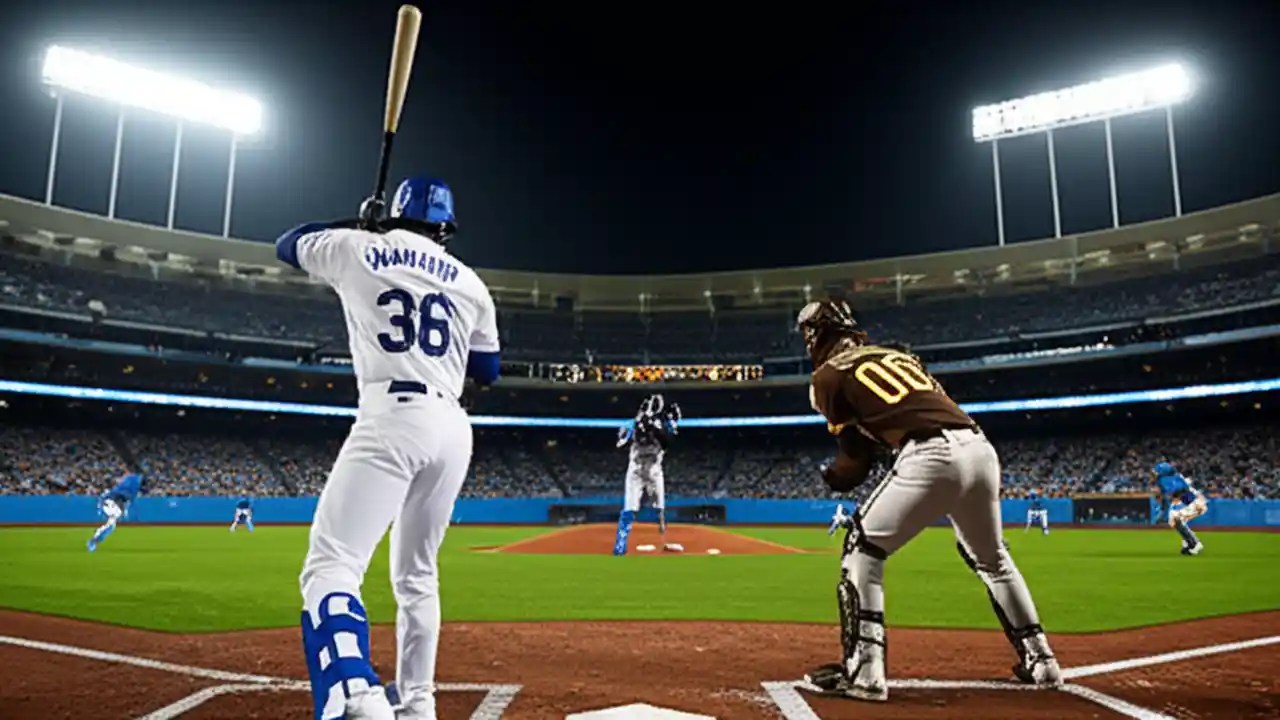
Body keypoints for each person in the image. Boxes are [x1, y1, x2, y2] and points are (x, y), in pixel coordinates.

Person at [276, 176, 500, 720]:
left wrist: (358, 225)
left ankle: (359, 694)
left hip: (392, 413)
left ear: (393, 214)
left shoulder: (358, 247)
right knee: (418, 577)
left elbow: (287, 243)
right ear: (445, 226)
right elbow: (488, 370)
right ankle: (419, 706)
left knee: (331, 565)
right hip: (452, 427)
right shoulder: (471, 282)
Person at [796, 299, 1060, 703]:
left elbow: (854, 462)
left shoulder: (827, 376)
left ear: (817, 335)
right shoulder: (898, 355)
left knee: (862, 550)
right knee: (993, 559)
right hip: (979, 447)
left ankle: (866, 674)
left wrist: (832, 476)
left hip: (928, 454)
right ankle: (1042, 662)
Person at [612, 394, 681, 555]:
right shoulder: (634, 424)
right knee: (630, 508)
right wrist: (637, 427)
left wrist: (652, 428)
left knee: (660, 508)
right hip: (636, 470)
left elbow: (667, 441)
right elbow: (621, 441)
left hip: (654, 470)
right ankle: (620, 545)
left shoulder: (662, 427)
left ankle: (664, 540)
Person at [1152, 462, 1206, 555]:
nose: (1154, 474)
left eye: (1157, 472)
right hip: (1193, 501)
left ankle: (1194, 543)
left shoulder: (1166, 480)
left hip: (1194, 502)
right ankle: (1190, 542)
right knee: (1176, 520)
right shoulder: (1173, 477)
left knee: (1174, 517)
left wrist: (1164, 512)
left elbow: (1175, 494)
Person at [87, 472, 142, 552]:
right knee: (111, 524)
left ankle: (96, 536)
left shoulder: (123, 489)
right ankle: (93, 540)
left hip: (110, 503)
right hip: (110, 503)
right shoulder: (124, 490)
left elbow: (122, 502)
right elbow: (120, 499)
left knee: (111, 526)